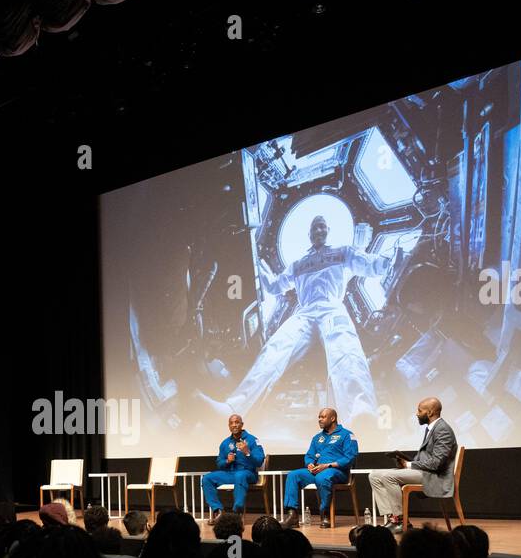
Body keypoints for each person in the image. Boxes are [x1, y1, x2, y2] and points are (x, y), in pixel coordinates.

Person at [193, 215, 395, 434]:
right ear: (309, 235)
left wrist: (391, 259)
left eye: (321, 226)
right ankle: (234, 409)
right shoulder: (298, 264)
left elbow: (370, 265)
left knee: (346, 350)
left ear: (327, 230)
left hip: (332, 307)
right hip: (305, 312)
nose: (318, 230)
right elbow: (273, 287)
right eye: (314, 227)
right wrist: (256, 263)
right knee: (274, 348)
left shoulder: (343, 252)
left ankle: (361, 412)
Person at [367, 397, 458, 534]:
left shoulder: (442, 430)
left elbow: (437, 463)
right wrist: (405, 462)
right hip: (426, 472)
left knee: (388, 477)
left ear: (430, 412)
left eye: (420, 410)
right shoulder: (432, 429)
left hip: (435, 476)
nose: (417, 413)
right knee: (374, 475)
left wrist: (409, 465)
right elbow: (427, 459)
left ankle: (400, 520)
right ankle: (393, 518)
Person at [283, 407, 358, 529]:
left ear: (333, 418)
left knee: (323, 477)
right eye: (319, 417)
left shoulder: (347, 435)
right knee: (293, 475)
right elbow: (309, 455)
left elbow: (350, 457)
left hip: (337, 472)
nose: (319, 419)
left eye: (323, 417)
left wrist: (328, 465)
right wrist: (310, 464)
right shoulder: (317, 437)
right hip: (317, 470)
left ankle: (325, 513)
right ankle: (293, 516)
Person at [200, 414, 265, 521]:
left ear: (242, 424)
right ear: (229, 426)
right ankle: (218, 511)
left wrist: (248, 453)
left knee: (240, 475)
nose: (234, 425)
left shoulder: (252, 440)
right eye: (231, 423)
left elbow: (259, 461)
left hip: (248, 473)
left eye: (237, 422)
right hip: (230, 474)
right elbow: (219, 463)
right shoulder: (225, 443)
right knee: (207, 478)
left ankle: (236, 513)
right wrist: (227, 461)